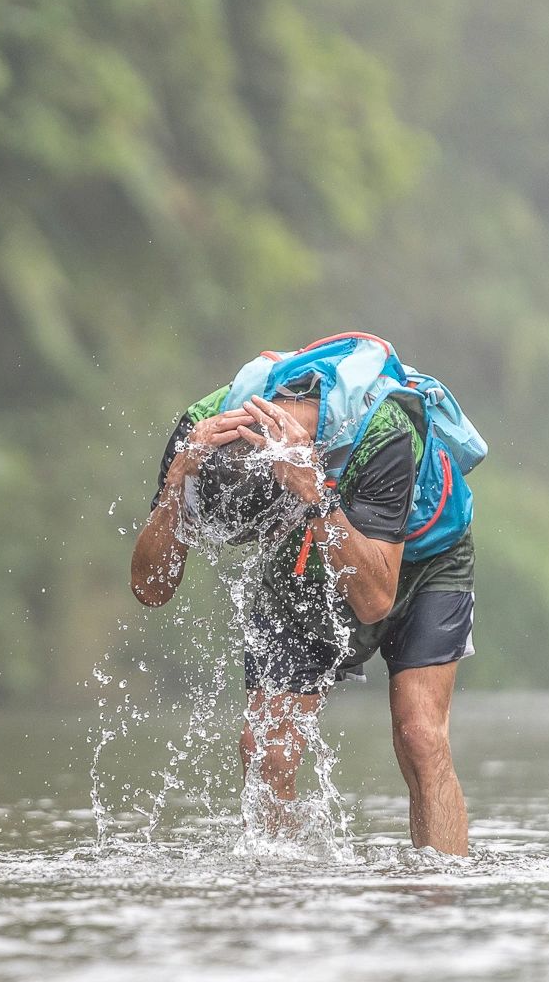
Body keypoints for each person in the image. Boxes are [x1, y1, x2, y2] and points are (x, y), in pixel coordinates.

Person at [129, 348, 477, 855]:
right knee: (267, 752)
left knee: (420, 736)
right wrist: (175, 483)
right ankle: (284, 917)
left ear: (283, 504)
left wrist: (316, 494)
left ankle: (441, 903)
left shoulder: (382, 429)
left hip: (427, 555)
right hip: (306, 545)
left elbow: (376, 600)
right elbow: (150, 589)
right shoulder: (200, 430)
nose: (253, 545)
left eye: (263, 533)